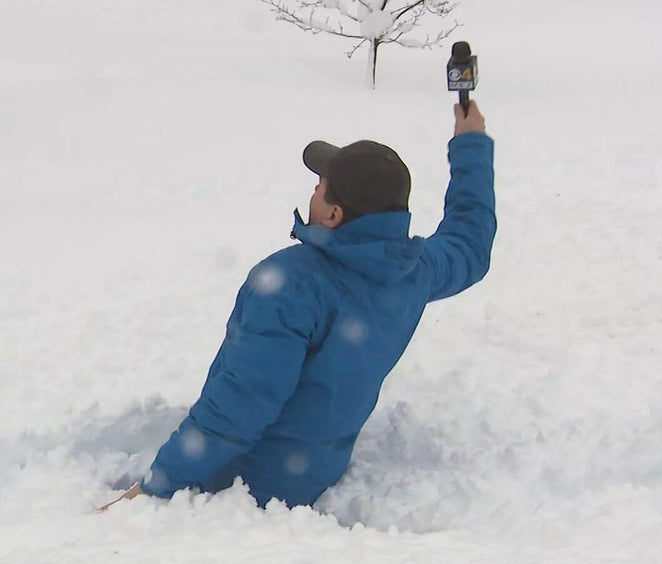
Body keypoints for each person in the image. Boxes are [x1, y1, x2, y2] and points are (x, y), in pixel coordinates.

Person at [99, 100, 494, 512]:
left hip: (244, 485)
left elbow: (240, 407)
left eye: (320, 187)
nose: (313, 191)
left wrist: (154, 487)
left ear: (334, 214)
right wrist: (472, 143)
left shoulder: (290, 284)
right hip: (316, 470)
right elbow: (470, 244)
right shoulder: (412, 271)